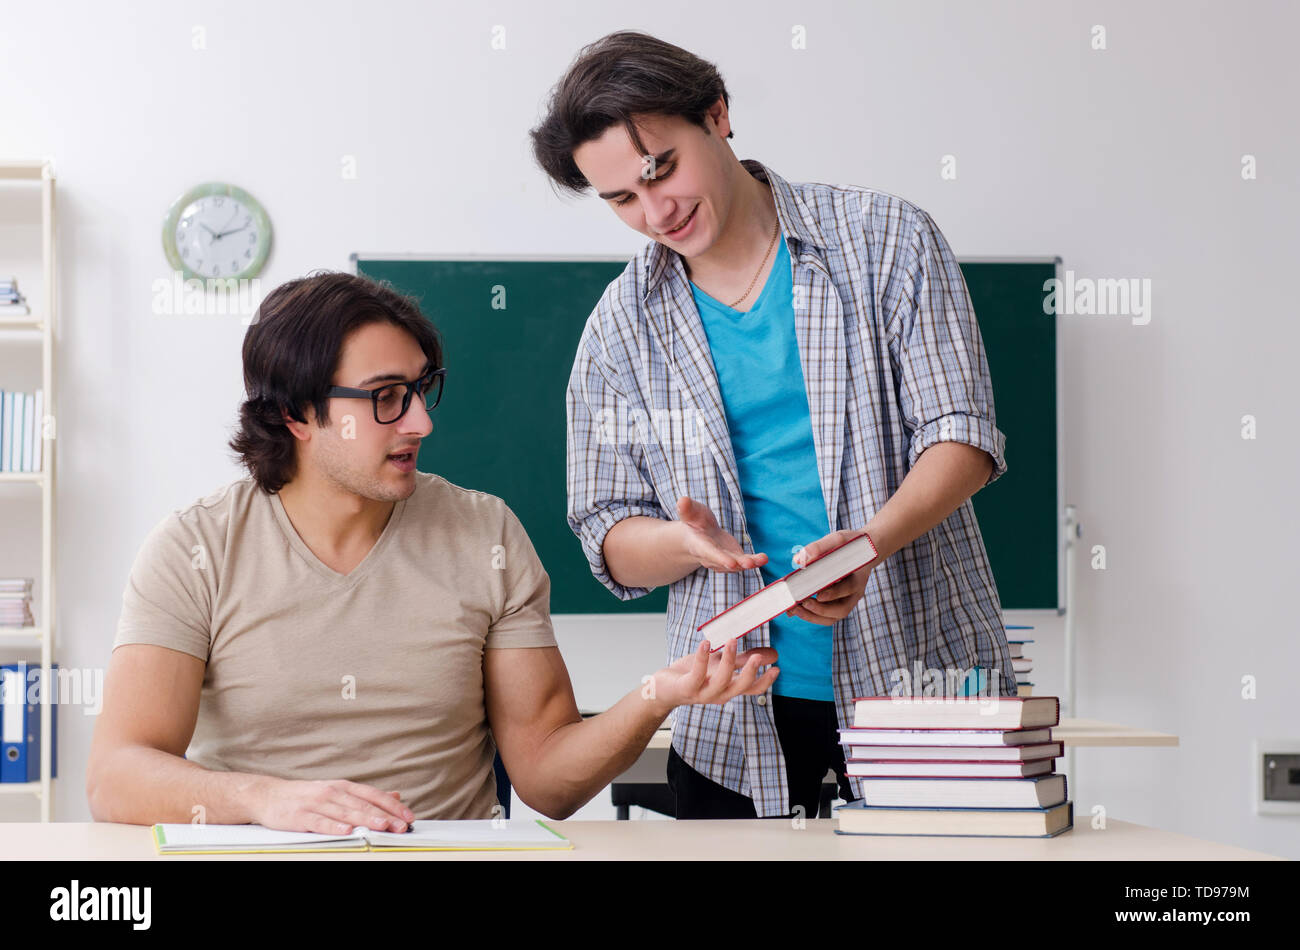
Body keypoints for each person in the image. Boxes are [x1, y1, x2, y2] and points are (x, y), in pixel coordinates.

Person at [86, 271, 776, 830]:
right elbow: (116, 775)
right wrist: (266, 801)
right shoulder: (195, 548)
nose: (421, 420)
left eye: (420, 389)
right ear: (296, 413)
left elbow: (546, 780)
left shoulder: (486, 534)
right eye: (386, 397)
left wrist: (660, 694)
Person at [531, 31, 1018, 820]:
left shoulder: (886, 239)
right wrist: (683, 546)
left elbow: (961, 436)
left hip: (927, 687)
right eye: (622, 199)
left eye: (661, 168)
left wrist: (865, 547)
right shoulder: (617, 330)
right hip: (733, 712)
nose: (656, 211)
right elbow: (608, 533)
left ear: (718, 115)